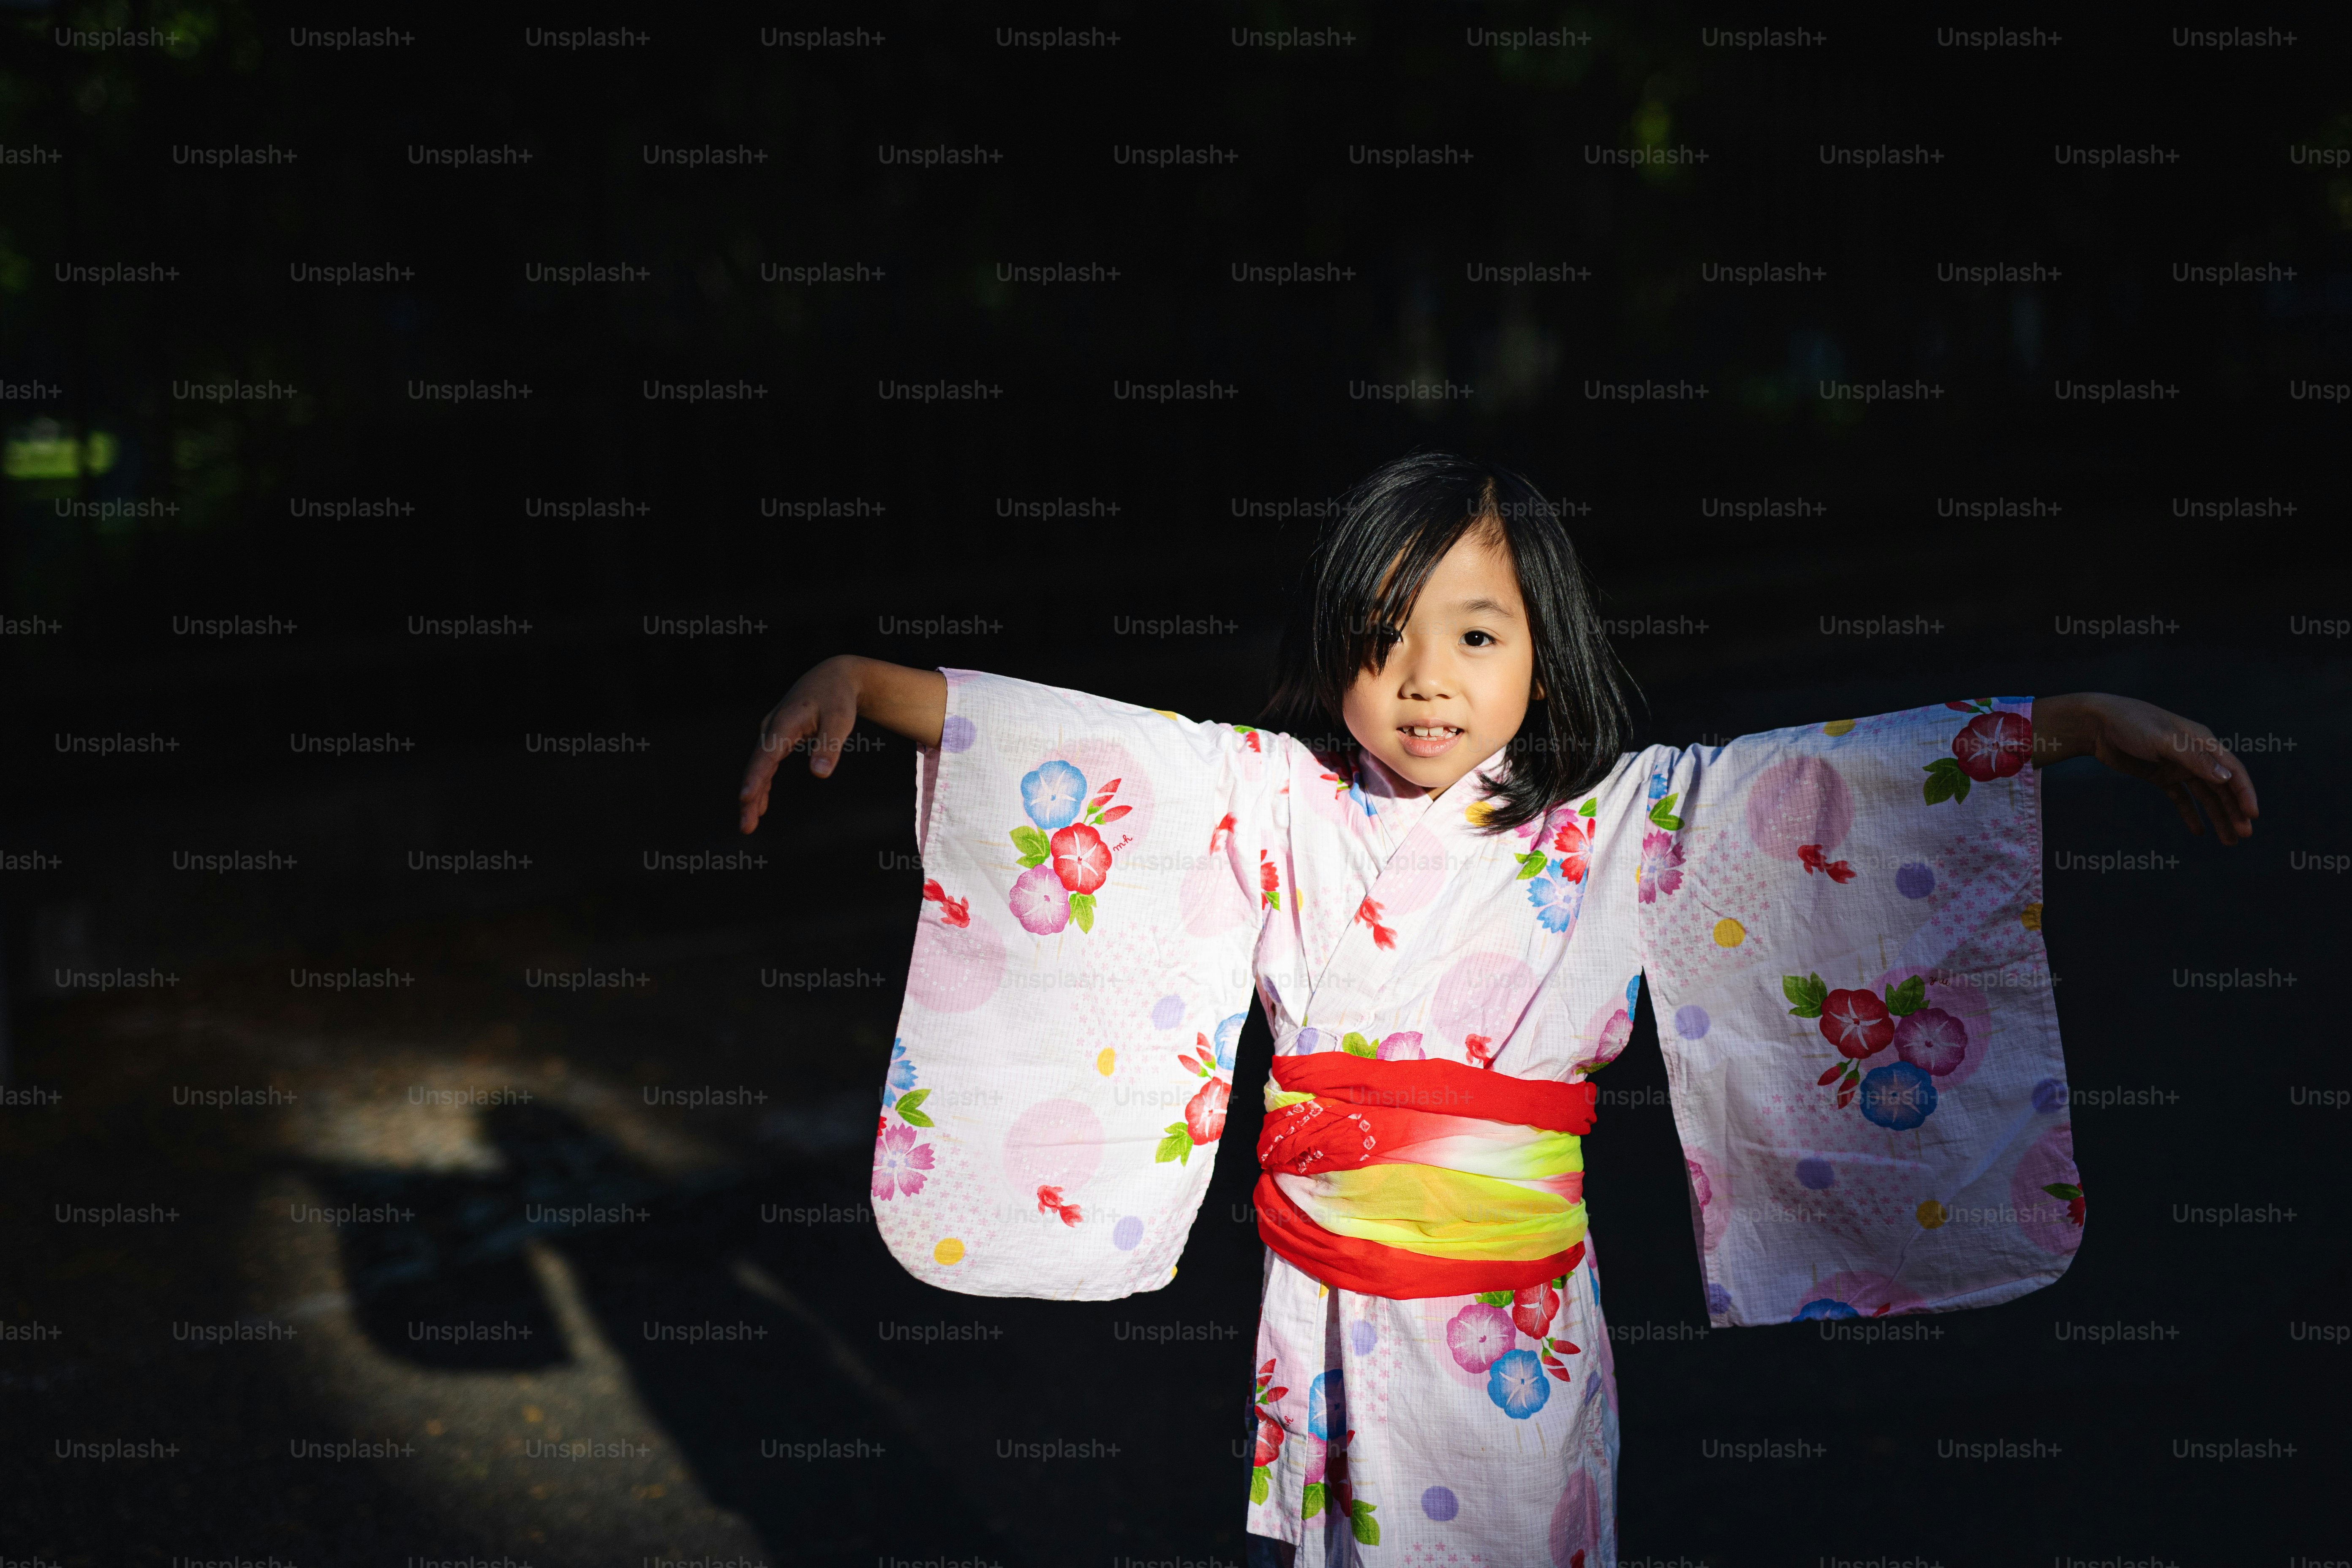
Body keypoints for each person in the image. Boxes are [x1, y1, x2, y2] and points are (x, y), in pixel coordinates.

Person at [735, 453, 2257, 1567]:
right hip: (1323, 1303)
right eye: (1383, 636)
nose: (1423, 680)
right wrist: (873, 684)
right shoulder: (1273, 800)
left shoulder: (1627, 821)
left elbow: (1819, 788)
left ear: (1546, 644)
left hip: (1509, 1317)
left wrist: (2061, 727)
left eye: (1474, 633)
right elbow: (1119, 763)